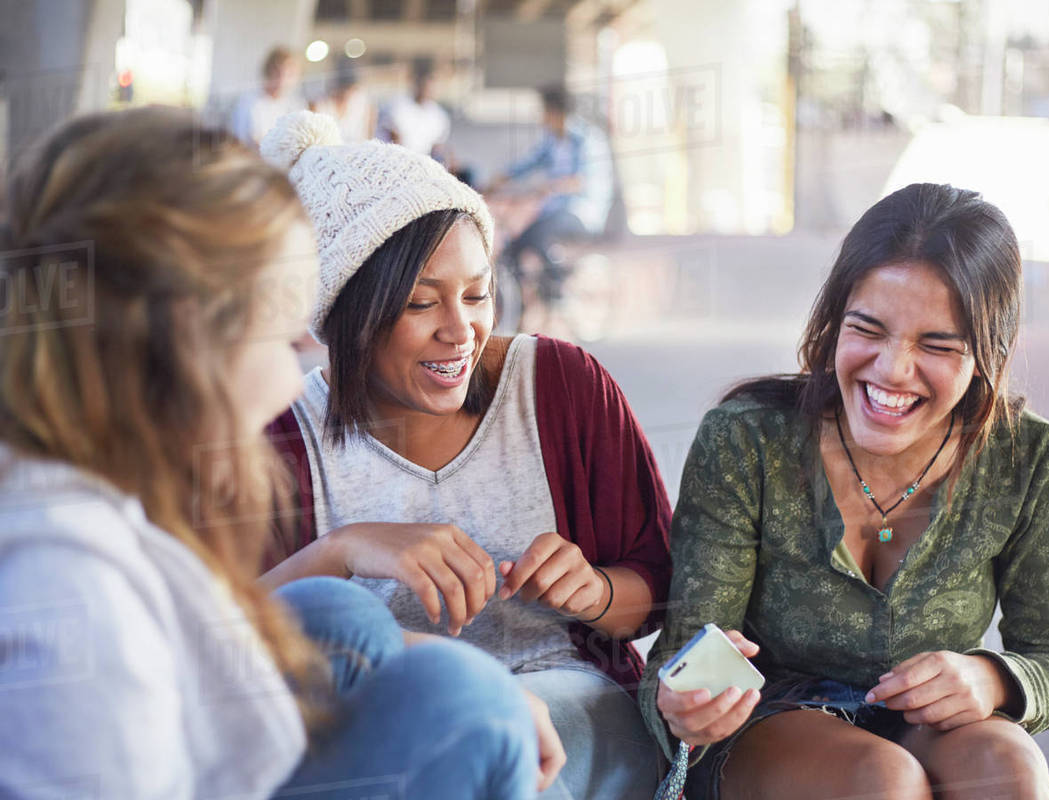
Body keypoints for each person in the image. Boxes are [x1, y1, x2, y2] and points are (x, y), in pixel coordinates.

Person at [0, 105, 556, 799]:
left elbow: (203, 629)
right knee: (463, 705)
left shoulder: (54, 484)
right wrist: (486, 700)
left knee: (337, 614)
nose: (292, 379)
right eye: (275, 338)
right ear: (179, 341)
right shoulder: (68, 590)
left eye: (477, 294)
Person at [257, 110, 668, 799]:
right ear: (346, 316)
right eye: (421, 304)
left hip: (568, 704)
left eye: (478, 294)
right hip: (399, 720)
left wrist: (593, 590)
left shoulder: (562, 387)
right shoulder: (284, 440)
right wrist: (344, 549)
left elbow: (657, 599)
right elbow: (221, 643)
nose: (462, 330)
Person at [640, 183, 1049, 800]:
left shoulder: (1027, 456)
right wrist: (685, 701)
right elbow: (687, 651)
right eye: (867, 329)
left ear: (988, 352)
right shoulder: (749, 438)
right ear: (832, 322)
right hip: (771, 722)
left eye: (937, 345)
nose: (891, 370)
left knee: (1010, 771)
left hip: (929, 725)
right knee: (882, 780)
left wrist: (991, 678)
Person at [487, 85, 613, 317]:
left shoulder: (587, 140)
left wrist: (551, 186)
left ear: (556, 112)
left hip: (581, 212)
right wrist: (498, 181)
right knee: (516, 244)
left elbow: (583, 180)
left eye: (544, 111)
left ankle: (558, 286)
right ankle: (522, 304)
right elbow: (528, 164)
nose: (541, 118)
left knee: (539, 233)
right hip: (555, 211)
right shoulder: (552, 141)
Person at [229, 45, 305, 148]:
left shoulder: (296, 104)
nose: (283, 79)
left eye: (290, 74)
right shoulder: (248, 102)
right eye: (278, 72)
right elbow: (243, 142)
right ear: (268, 71)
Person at [311, 58, 375, 143]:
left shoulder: (364, 105)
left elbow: (369, 138)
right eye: (343, 89)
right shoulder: (319, 106)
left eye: (351, 89)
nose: (347, 94)